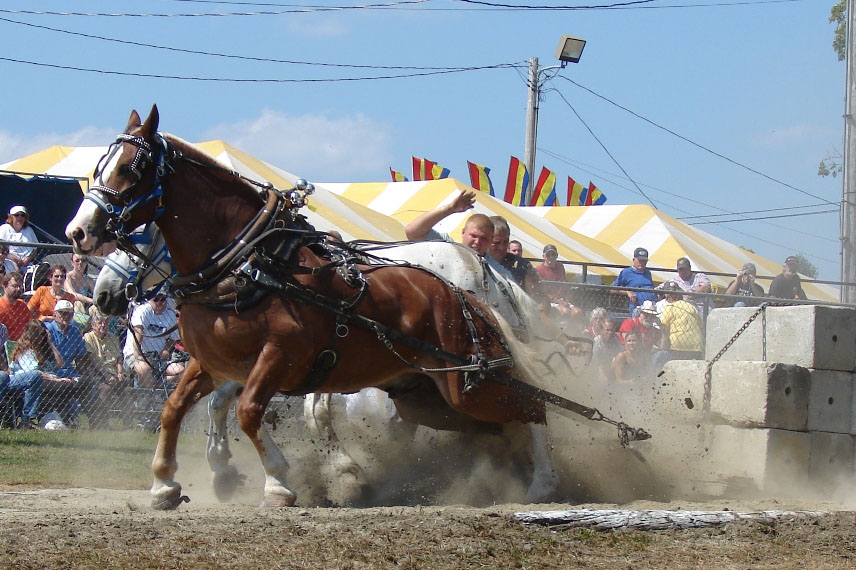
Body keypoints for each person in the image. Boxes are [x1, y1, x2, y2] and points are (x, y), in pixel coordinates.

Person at [404, 189, 511, 278]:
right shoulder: (447, 245)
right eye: (473, 236)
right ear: (463, 233)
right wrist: (450, 208)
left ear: (491, 240)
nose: (477, 242)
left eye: (484, 238)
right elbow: (412, 231)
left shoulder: (499, 273)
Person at [9, 320, 76, 427]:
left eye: (44, 334)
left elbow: (60, 363)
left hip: (46, 380)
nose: (42, 337)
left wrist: (50, 342)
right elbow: (36, 373)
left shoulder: (43, 349)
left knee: (71, 385)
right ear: (32, 334)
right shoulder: (25, 350)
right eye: (40, 334)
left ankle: (64, 420)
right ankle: (65, 420)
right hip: (30, 383)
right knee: (63, 386)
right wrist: (57, 380)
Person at [123, 294, 184, 389]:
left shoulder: (170, 314)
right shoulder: (142, 310)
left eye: (163, 300)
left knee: (181, 371)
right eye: (156, 300)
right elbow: (138, 333)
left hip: (158, 357)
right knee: (144, 369)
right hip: (135, 354)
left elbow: (173, 338)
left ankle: (156, 388)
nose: (160, 303)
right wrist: (139, 355)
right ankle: (149, 398)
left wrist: (166, 350)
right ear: (150, 300)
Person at [84, 313, 128, 427]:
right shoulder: (88, 337)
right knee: (105, 389)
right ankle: (101, 423)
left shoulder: (113, 337)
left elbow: (119, 358)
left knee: (128, 390)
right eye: (100, 322)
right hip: (97, 372)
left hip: (114, 371)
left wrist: (119, 373)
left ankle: (128, 424)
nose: (103, 325)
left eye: (106, 322)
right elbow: (93, 359)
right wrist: (107, 377)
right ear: (93, 325)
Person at [488, 216, 544, 302]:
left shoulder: (522, 265)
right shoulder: (476, 262)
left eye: (505, 241)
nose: (502, 247)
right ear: (487, 240)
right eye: (496, 242)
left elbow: (539, 299)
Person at [656, 281, 703, 365]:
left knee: (660, 359)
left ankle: (655, 376)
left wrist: (662, 346)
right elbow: (700, 324)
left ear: (668, 296)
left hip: (677, 346)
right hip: (695, 346)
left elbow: (664, 328)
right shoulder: (691, 306)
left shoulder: (669, 307)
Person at [613, 247, 656, 315]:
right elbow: (613, 289)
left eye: (644, 261)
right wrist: (627, 292)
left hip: (651, 306)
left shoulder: (648, 273)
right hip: (637, 307)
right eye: (639, 260)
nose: (642, 263)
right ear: (633, 260)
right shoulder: (626, 272)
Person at [0, 205, 38, 270]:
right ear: (11, 217)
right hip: (8, 263)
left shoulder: (29, 230)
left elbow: (35, 249)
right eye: (17, 215)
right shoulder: (4, 228)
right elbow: (1, 249)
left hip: (27, 265)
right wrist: (16, 260)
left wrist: (28, 258)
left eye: (22, 215)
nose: (20, 217)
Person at [0, 272, 34, 340]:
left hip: (22, 343)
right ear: (5, 286)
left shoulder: (22, 305)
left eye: (20, 286)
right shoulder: (1, 305)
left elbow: (30, 325)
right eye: (15, 286)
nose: (18, 289)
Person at [591, 318, 622, 383]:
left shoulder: (616, 341)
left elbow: (620, 355)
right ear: (601, 330)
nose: (610, 332)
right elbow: (596, 364)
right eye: (607, 330)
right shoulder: (597, 344)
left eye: (612, 330)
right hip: (599, 368)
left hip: (613, 367)